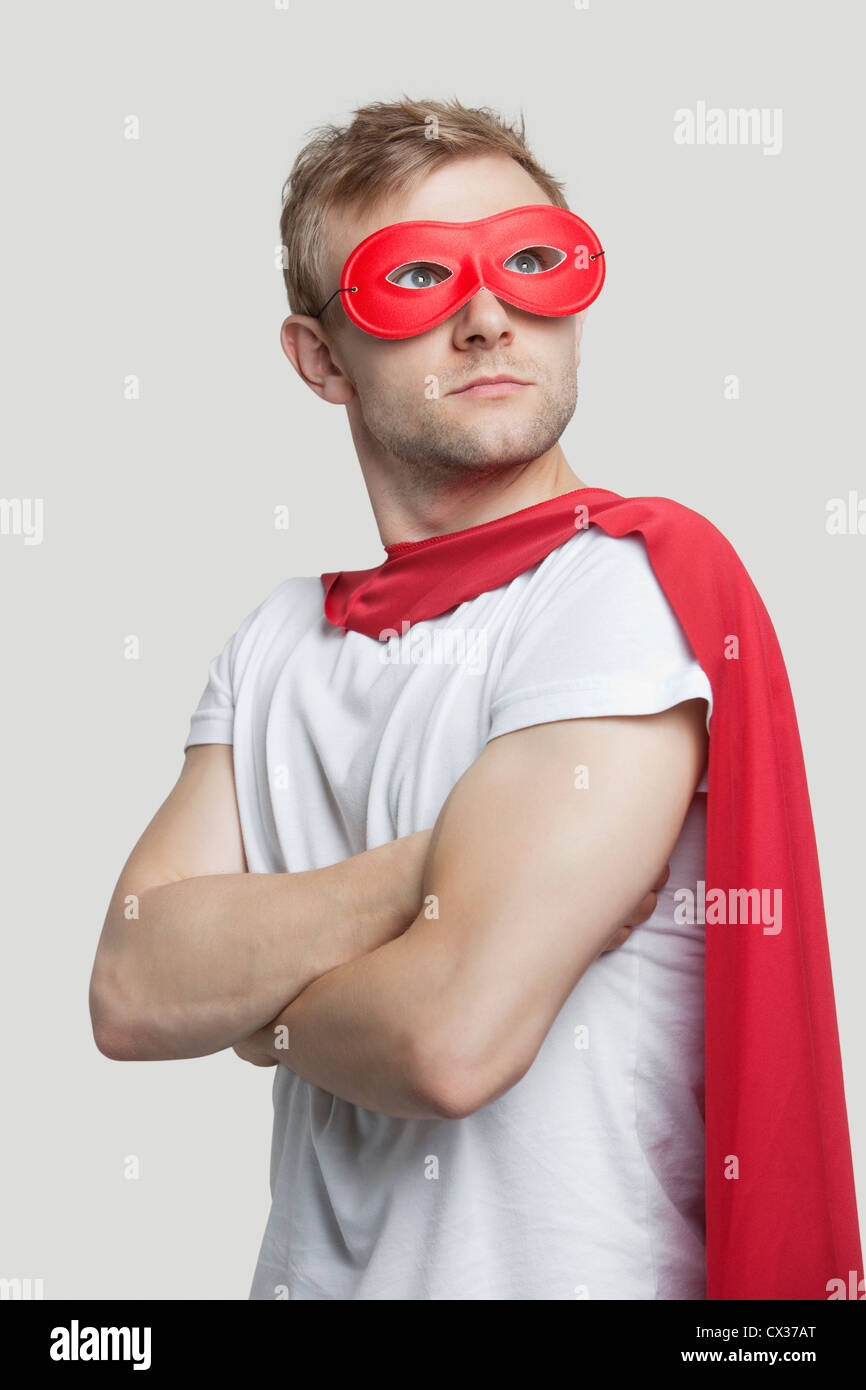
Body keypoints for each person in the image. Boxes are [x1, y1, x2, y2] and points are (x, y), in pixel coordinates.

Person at [94, 95, 764, 1302]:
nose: (488, 317)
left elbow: (446, 1041)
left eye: (529, 262)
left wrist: (253, 1014)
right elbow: (134, 990)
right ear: (317, 357)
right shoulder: (280, 637)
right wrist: (435, 873)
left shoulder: (622, 587)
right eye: (414, 278)